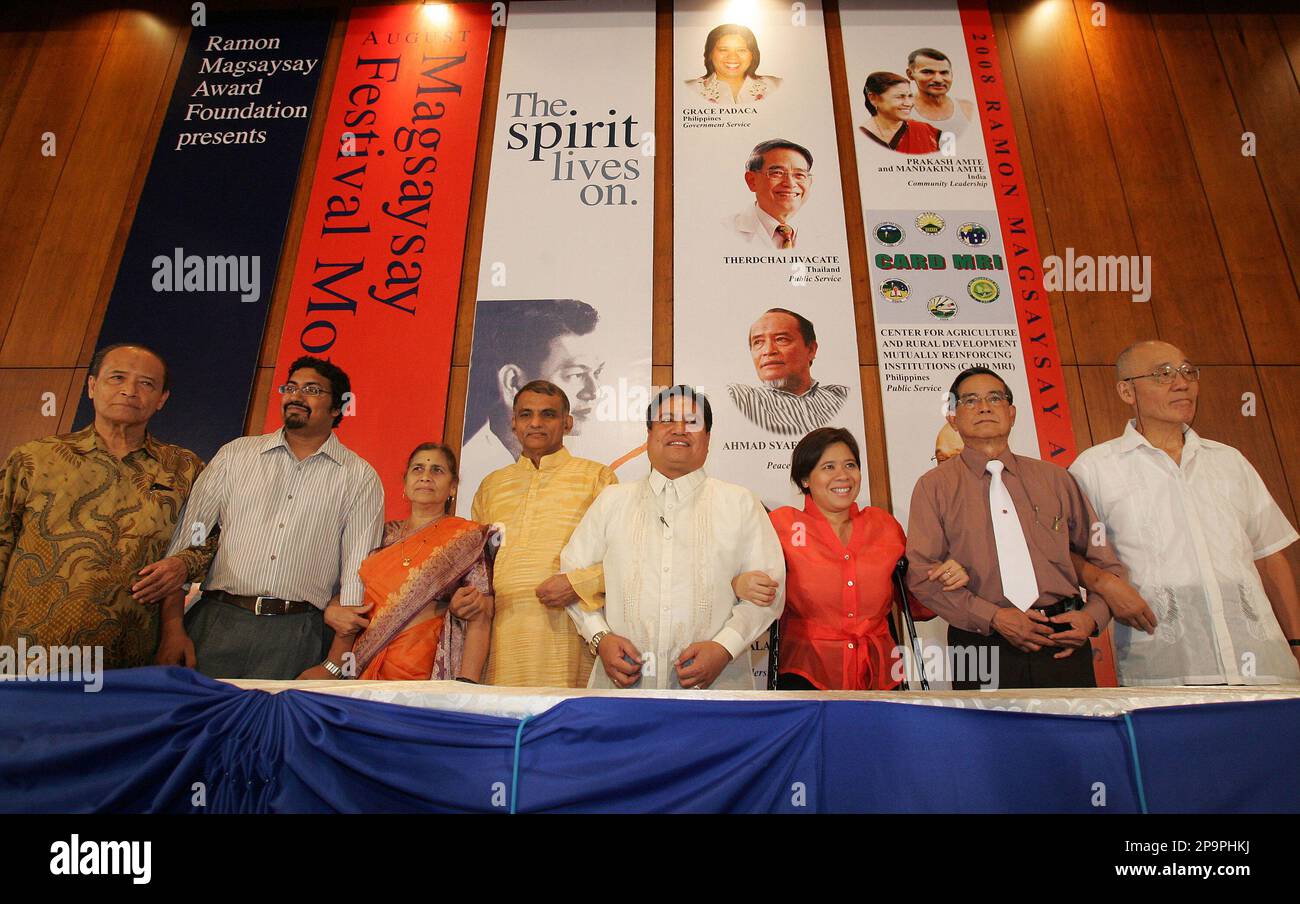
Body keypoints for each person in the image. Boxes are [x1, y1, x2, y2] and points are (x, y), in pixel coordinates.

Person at [1069, 341, 1300, 686]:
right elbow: (1063, 550)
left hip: (1264, 663)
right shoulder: (1096, 467)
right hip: (1166, 666)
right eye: (1163, 374)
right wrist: (1108, 586)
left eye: (1188, 373)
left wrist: (1295, 642)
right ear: (1126, 391)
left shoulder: (1228, 460)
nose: (1182, 383)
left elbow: (1268, 555)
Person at [147, 356, 384, 680]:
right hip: (215, 623)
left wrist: (333, 664)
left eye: (312, 390)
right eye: (291, 387)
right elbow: (189, 543)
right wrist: (173, 629)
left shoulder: (359, 477)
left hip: (299, 635)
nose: (296, 396)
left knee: (277, 731)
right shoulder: (235, 456)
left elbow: (357, 576)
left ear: (337, 407)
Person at [905, 366, 1129, 689]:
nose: (984, 406)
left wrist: (1090, 618)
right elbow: (922, 574)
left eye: (994, 398)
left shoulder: (1056, 479)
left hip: (1063, 640)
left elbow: (1102, 559)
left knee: (1071, 738)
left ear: (1011, 413)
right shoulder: (933, 487)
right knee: (988, 739)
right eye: (970, 401)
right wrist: (993, 617)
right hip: (980, 642)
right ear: (952, 418)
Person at [0, 344, 212, 670]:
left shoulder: (183, 468)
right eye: (117, 378)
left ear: (161, 399)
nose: (129, 391)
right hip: (26, 653)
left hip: (133, 657)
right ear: (92, 386)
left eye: (146, 384)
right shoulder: (34, 458)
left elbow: (206, 537)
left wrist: (183, 564)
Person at [560, 386, 785, 690]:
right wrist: (599, 637)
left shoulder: (740, 502)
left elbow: (769, 591)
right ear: (649, 435)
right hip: (622, 692)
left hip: (718, 689)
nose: (679, 429)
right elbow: (572, 577)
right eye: (666, 420)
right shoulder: (612, 501)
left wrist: (724, 647)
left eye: (692, 421)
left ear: (708, 438)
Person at [733, 427, 967, 690]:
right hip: (807, 673)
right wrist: (738, 583)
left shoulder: (883, 525)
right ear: (805, 479)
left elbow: (916, 602)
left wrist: (944, 578)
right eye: (828, 467)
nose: (843, 475)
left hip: (880, 675)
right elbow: (734, 573)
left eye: (850, 465)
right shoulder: (783, 524)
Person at [471, 380, 616, 687]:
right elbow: (477, 568)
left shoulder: (597, 478)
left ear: (567, 422)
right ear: (513, 422)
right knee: (507, 729)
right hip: (502, 638)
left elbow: (626, 559)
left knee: (566, 728)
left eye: (548, 414)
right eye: (526, 414)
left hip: (570, 631)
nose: (535, 423)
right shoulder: (491, 486)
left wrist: (576, 584)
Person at [345, 443, 495, 682]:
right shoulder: (380, 535)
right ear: (405, 482)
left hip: (427, 667)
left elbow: (482, 613)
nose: (426, 477)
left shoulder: (466, 538)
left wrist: (468, 682)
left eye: (437, 470)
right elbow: (352, 590)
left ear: (453, 486)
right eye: (418, 469)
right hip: (366, 662)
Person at [459, 299, 607, 516]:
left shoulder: (595, 477)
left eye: (597, 374)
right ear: (513, 383)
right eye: (576, 374)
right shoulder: (468, 480)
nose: (593, 392)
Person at [727, 308, 848, 435]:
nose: (768, 351)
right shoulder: (738, 397)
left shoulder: (841, 396)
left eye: (781, 339)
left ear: (811, 349)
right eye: (758, 342)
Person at [723, 139, 815, 249]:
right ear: (752, 181)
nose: (790, 184)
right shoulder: (723, 230)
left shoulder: (826, 233)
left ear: (809, 183)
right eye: (777, 173)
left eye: (799, 175)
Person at [684, 23, 781, 106]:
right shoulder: (688, 89)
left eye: (741, 50)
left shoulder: (775, 85)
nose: (733, 57)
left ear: (753, 54)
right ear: (710, 53)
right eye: (723, 50)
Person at [859, 72, 941, 155]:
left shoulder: (925, 132)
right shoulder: (859, 136)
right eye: (899, 97)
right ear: (873, 98)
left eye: (910, 96)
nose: (908, 103)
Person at [905, 48, 973, 138]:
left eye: (944, 73)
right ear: (910, 74)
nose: (938, 80)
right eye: (928, 72)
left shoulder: (968, 109)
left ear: (951, 74)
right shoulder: (899, 112)